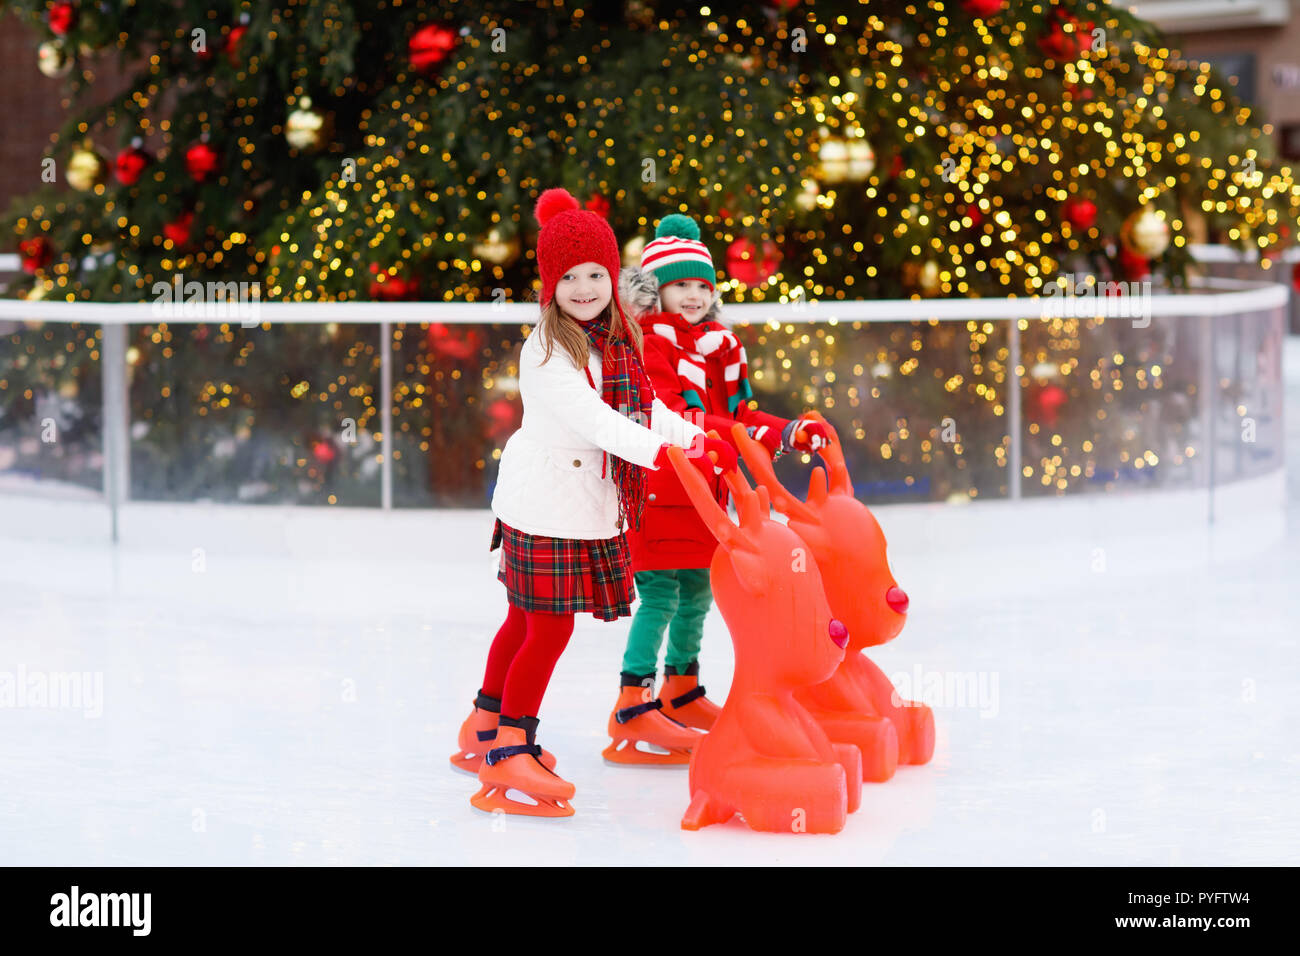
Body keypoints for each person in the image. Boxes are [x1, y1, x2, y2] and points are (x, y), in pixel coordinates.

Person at [449, 189, 738, 817]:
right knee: (545, 626)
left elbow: (646, 408)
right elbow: (597, 420)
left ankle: (483, 724)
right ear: (551, 283)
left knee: (523, 621)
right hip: (547, 503)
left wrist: (693, 434)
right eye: (570, 276)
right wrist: (662, 456)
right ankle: (510, 750)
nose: (584, 287)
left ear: (613, 277)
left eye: (597, 274)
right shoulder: (549, 349)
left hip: (570, 501)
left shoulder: (614, 338)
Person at [606, 213, 830, 764]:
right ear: (656, 289)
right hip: (663, 485)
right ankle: (631, 704)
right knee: (659, 595)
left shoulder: (723, 346)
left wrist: (788, 431)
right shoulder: (646, 342)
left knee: (700, 595)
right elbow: (672, 413)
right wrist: (727, 434)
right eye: (680, 284)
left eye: (704, 285)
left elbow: (741, 414)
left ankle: (680, 690)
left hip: (712, 493)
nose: (694, 295)